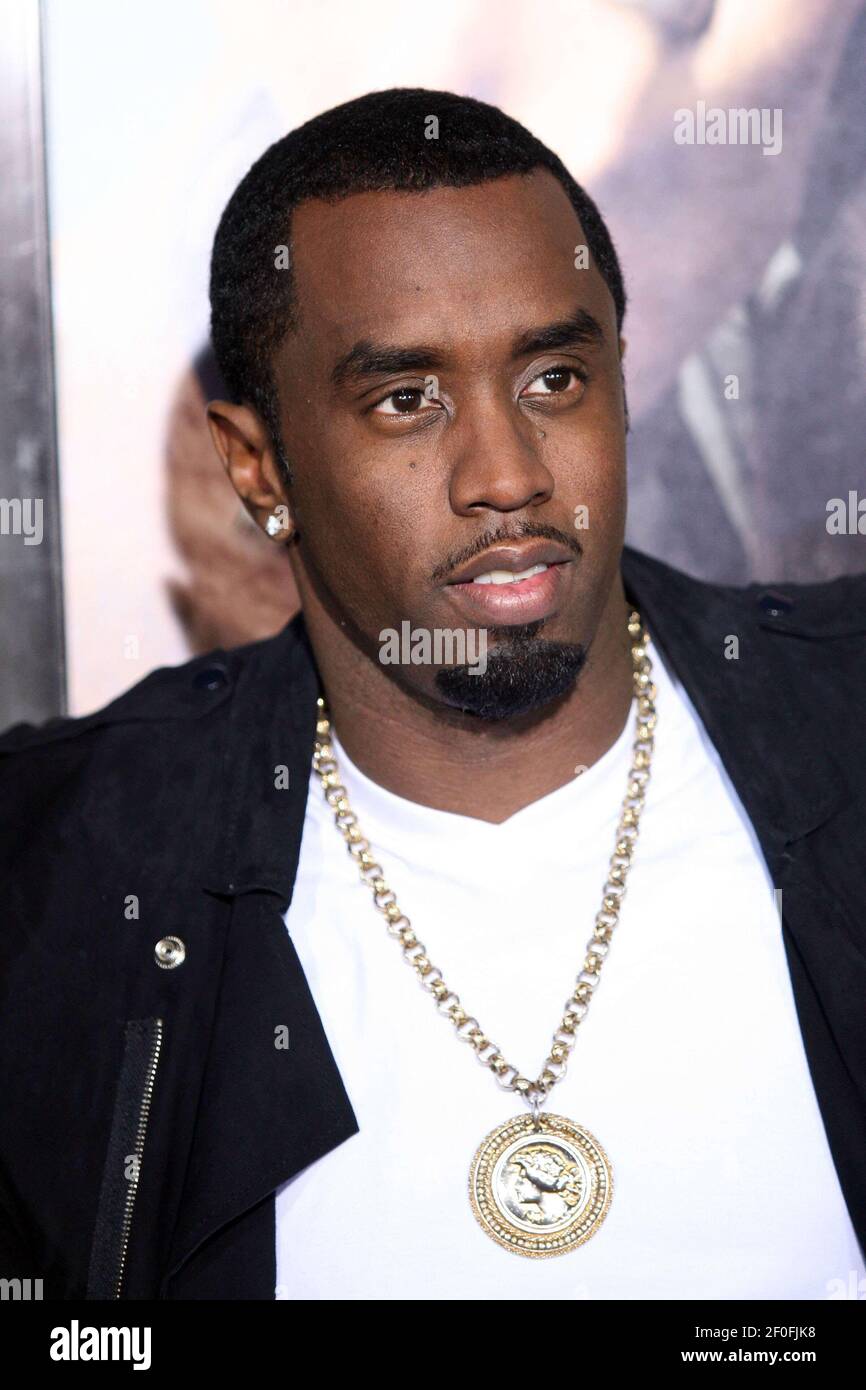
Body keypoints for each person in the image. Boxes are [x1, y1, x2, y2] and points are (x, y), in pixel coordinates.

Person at [1, 88, 864, 1301]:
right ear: (259, 468)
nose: (507, 475)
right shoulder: (55, 880)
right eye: (406, 399)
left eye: (555, 377)